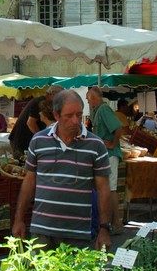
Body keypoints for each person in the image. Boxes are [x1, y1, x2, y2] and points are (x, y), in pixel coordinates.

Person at [12, 89, 112, 250]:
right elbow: (29, 183)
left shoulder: (95, 145)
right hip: (42, 231)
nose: (75, 121)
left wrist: (104, 228)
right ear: (56, 115)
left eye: (79, 115)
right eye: (69, 116)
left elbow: (103, 189)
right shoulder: (38, 141)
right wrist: (19, 219)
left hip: (78, 234)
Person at [87, 86, 124, 226]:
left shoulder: (103, 109)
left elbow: (118, 128)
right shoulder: (99, 110)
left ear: (94, 97)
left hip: (109, 154)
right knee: (107, 188)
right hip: (105, 155)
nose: (87, 100)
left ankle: (115, 224)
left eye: (88, 97)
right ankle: (110, 223)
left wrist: (113, 144)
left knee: (111, 188)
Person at [8, 85, 61, 158]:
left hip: (23, 140)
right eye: (60, 97)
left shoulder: (42, 101)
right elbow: (31, 123)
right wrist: (43, 139)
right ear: (53, 94)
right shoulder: (40, 102)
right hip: (21, 141)